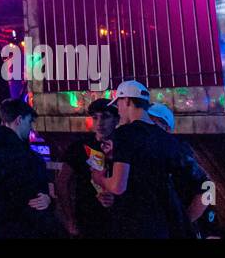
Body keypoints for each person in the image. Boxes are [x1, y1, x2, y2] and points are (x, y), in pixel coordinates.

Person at [91, 81, 205, 239]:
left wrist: (99, 178)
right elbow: (207, 184)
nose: (119, 111)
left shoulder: (125, 134)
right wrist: (183, 221)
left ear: (128, 101)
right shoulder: (170, 142)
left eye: (119, 104)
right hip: (162, 228)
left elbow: (118, 186)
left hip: (134, 227)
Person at [0, 98, 62, 239]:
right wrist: (48, 200)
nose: (31, 128)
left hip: (5, 229)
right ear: (19, 120)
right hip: (26, 228)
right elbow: (32, 198)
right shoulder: (19, 155)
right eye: (29, 121)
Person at [148, 102, 217, 238]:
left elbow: (208, 187)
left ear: (167, 129)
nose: (148, 130)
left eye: (153, 124)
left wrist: (184, 222)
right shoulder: (147, 153)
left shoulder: (179, 152)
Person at [56, 98, 118, 238]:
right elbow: (62, 182)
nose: (100, 123)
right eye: (95, 118)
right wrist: (69, 218)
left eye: (106, 117)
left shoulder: (126, 147)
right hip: (87, 219)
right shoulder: (79, 148)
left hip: (120, 219)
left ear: (116, 120)